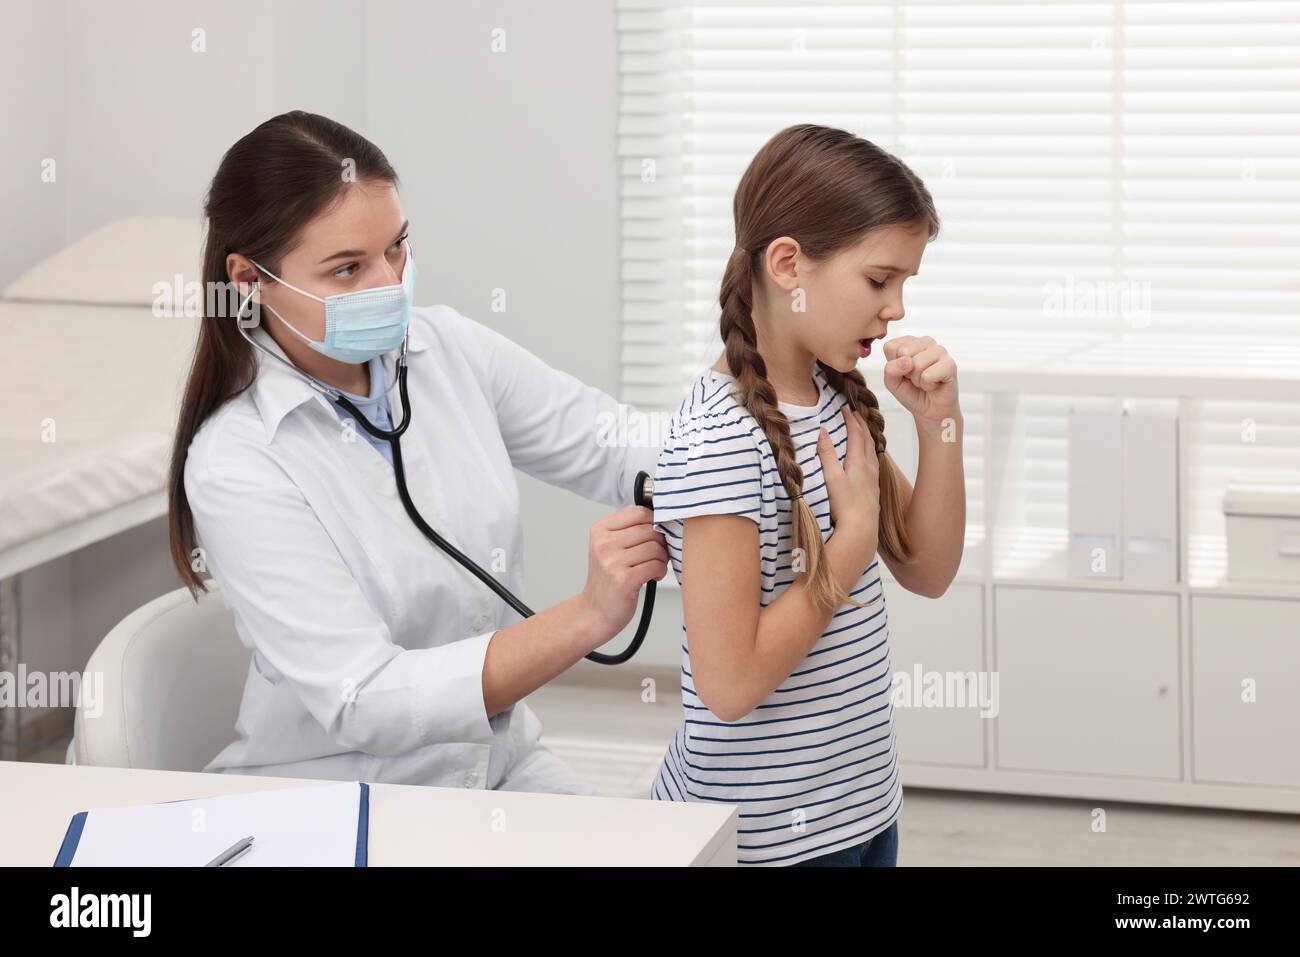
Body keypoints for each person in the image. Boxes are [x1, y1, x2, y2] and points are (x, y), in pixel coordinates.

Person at [167, 111, 666, 793]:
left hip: (499, 762)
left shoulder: (447, 350)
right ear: (249, 281)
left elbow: (610, 441)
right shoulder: (238, 459)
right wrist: (587, 616)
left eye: (396, 249)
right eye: (347, 268)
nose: (388, 284)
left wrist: (761, 438)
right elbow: (364, 697)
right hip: (348, 795)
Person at [649, 125, 966, 865]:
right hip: (769, 834)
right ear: (788, 263)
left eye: (904, 285)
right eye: (879, 280)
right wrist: (851, 546)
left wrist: (940, 425)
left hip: (859, 802)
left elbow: (928, 569)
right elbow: (729, 685)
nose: (896, 311)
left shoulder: (833, 396)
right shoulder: (722, 439)